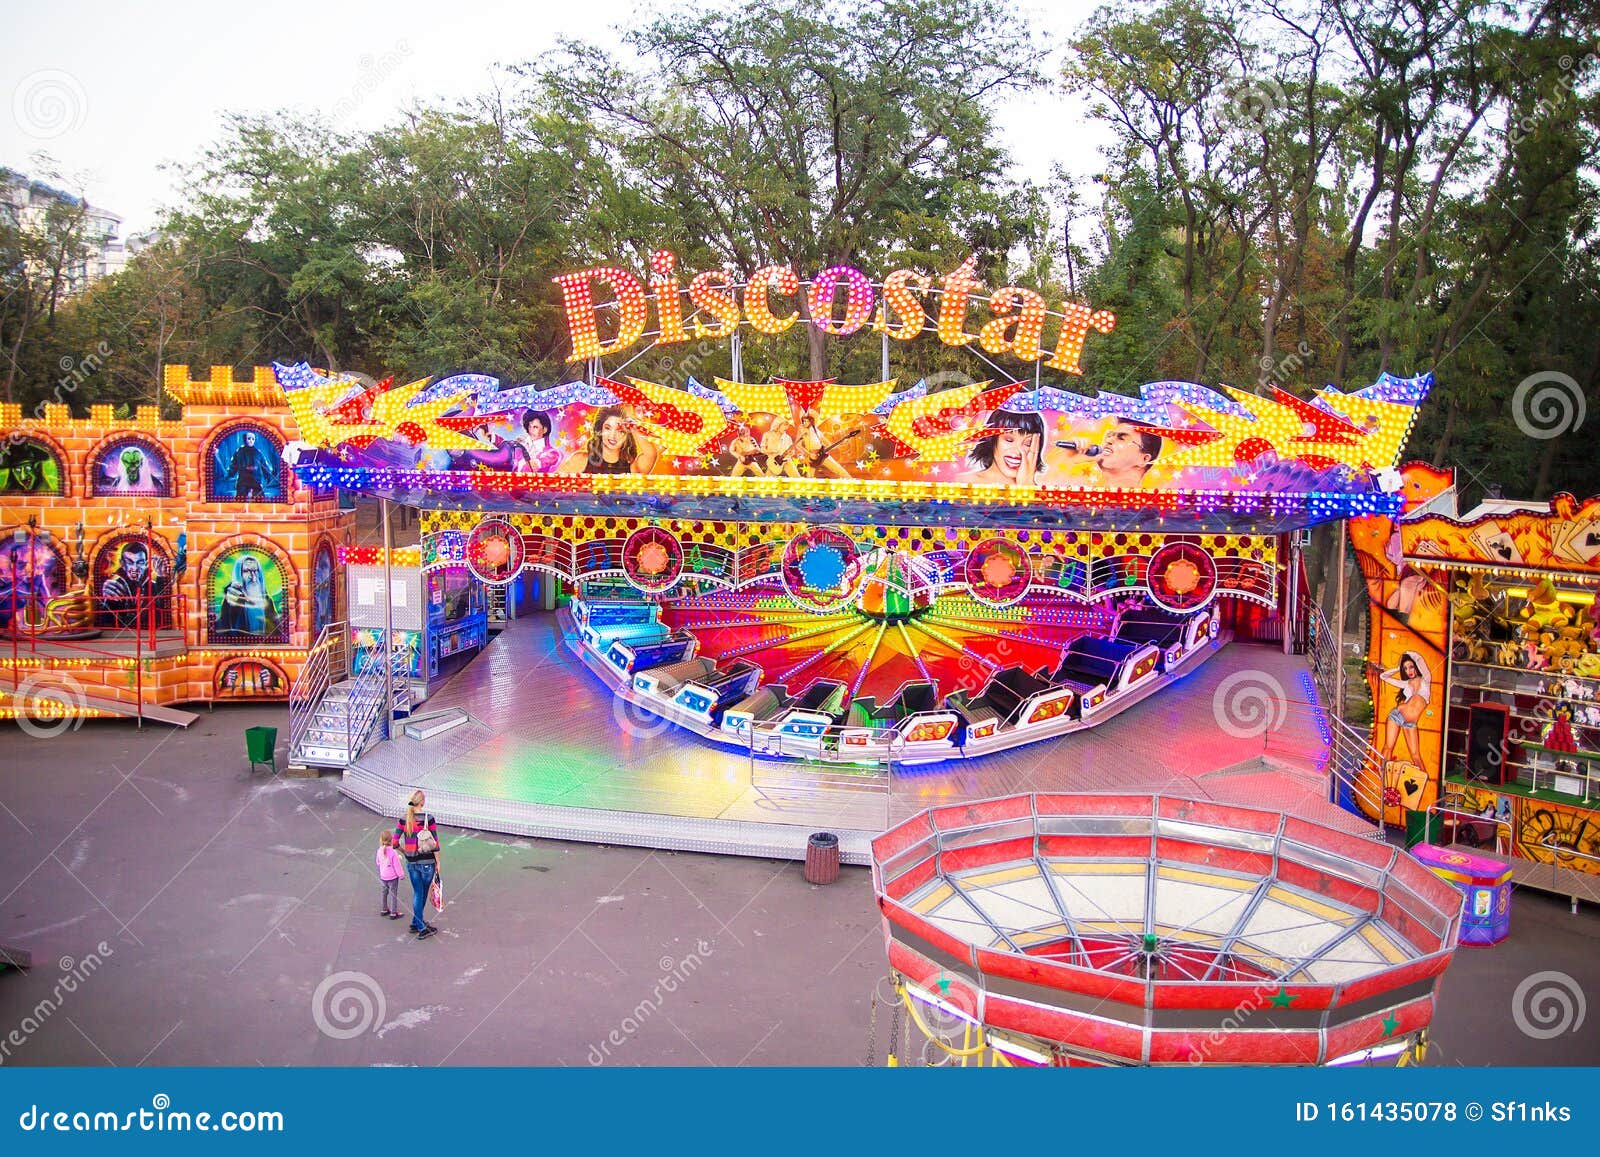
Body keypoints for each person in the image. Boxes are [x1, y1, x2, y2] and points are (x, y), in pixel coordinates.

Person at [395, 790, 442, 939]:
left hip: (412, 863)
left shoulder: (404, 819)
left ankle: (416, 922)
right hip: (427, 862)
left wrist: (405, 852)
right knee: (421, 894)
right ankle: (421, 927)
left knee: (418, 893)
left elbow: (394, 842)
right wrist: (438, 862)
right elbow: (435, 842)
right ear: (422, 801)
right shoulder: (429, 818)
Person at [559, 406, 658, 475]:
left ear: (628, 436)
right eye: (607, 428)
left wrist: (634, 427)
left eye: (621, 431)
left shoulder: (633, 466)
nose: (613, 436)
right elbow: (553, 485)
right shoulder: (580, 459)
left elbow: (651, 454)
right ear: (600, 430)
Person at [1373, 651, 1430, 767]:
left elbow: (1419, 658)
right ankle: (1383, 778)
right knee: (1388, 747)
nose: (1409, 671)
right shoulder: (1405, 684)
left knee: (1415, 755)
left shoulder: (1426, 680)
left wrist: (1407, 653)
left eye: (1411, 667)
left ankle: (1422, 783)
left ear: (1416, 667)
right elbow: (1383, 676)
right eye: (1405, 669)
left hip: (1410, 723)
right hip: (1396, 716)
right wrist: (1398, 668)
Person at [962, 409, 1045, 487]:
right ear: (992, 440)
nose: (1017, 451)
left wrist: (1027, 485)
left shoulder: (1043, 494)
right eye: (1009, 440)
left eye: (1028, 443)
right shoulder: (963, 482)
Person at [215, 554, 281, 638]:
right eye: (246, 571)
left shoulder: (266, 600)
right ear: (239, 574)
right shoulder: (232, 600)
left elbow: (277, 629)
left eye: (255, 571)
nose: (253, 576)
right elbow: (223, 629)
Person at [219, 430, 275, 500]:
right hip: (243, 480)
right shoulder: (239, 452)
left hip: (256, 480)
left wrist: (268, 476)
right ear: (244, 439)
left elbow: (264, 466)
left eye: (253, 439)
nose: (251, 441)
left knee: (260, 498)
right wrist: (228, 475)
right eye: (249, 438)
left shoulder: (258, 453)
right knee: (241, 498)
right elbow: (233, 466)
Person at [377, 831, 404, 920]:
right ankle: (393, 912)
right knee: (393, 894)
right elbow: (397, 865)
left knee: (384, 893)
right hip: (393, 877)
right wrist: (401, 875)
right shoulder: (393, 852)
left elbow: (378, 862)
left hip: (383, 876)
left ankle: (384, 909)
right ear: (391, 840)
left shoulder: (379, 850)